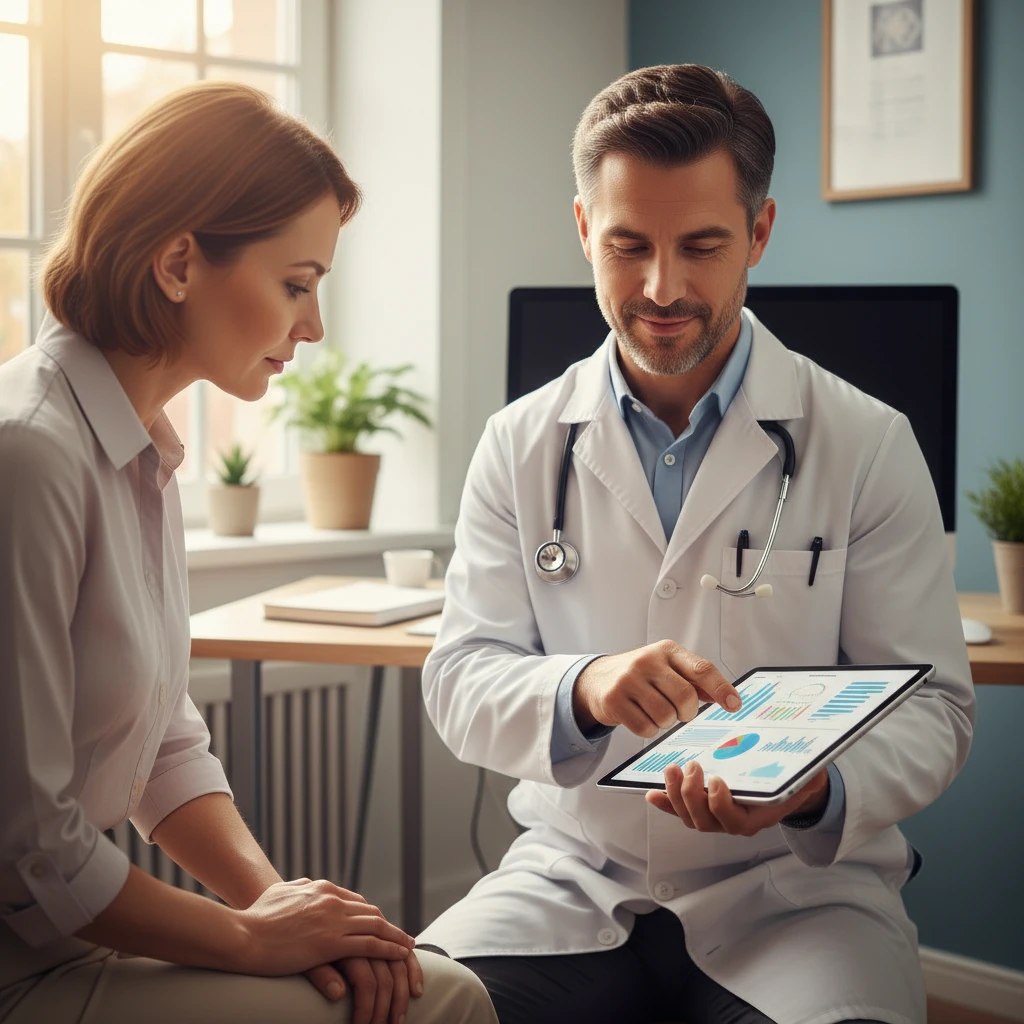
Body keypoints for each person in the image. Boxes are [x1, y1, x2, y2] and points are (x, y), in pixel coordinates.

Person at [417, 64, 975, 1024]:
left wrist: (809, 794)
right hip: (574, 877)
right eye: (628, 245)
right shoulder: (521, 443)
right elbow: (460, 678)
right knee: (411, 1009)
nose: (661, 287)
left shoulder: (867, 443)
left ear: (760, 233)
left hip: (796, 895)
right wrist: (581, 687)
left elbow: (935, 711)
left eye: (702, 246)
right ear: (585, 228)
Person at [0, 81, 496, 1024]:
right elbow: (28, 850)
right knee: (446, 1002)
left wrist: (276, 904)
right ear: (180, 263)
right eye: (297, 285)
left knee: (425, 982)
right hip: (21, 969)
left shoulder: (138, 448)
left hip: (64, 943)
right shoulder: (29, 453)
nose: (312, 327)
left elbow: (158, 740)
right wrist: (252, 939)